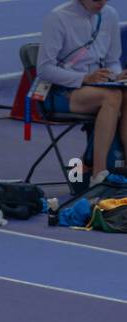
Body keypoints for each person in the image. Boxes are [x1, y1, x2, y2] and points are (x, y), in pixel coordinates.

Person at [37, 0, 126, 186]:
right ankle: (98, 175)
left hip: (99, 86)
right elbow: (44, 69)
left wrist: (117, 75)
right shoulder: (58, 17)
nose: (101, 2)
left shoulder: (110, 15)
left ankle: (118, 166)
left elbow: (112, 60)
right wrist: (84, 78)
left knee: (123, 94)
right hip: (60, 91)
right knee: (112, 97)